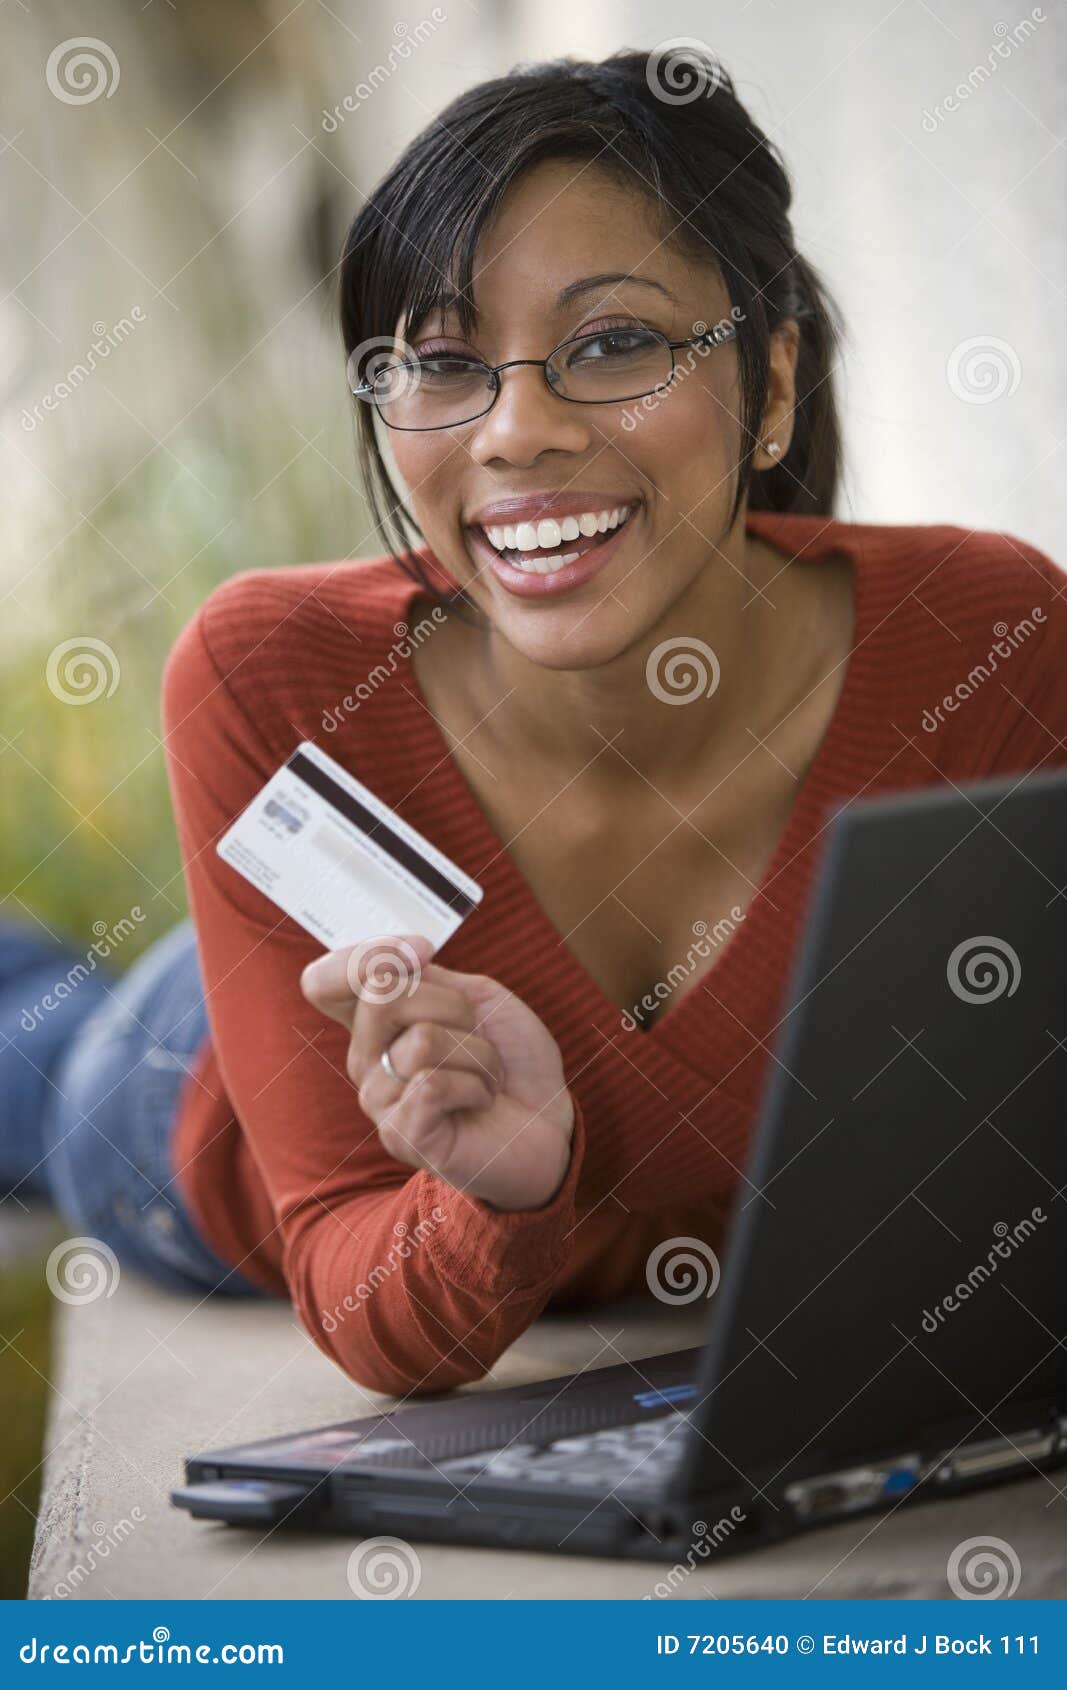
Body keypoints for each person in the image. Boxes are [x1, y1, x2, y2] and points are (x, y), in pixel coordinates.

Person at [3, 47, 1064, 1394]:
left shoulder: (989, 644)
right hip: (183, 1097)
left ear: (774, 382)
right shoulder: (275, 676)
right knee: (34, 1057)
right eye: (444, 362)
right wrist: (492, 1202)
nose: (515, 431)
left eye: (612, 343)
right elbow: (363, 1288)